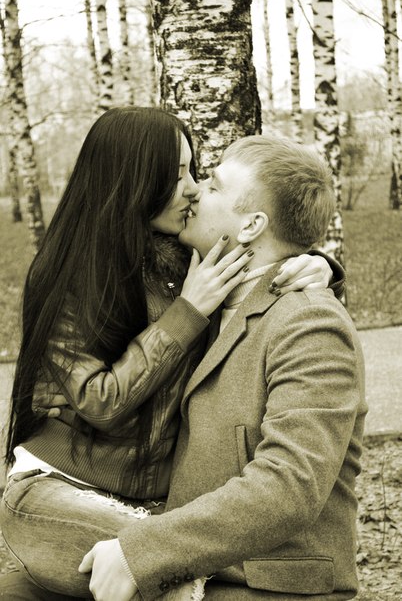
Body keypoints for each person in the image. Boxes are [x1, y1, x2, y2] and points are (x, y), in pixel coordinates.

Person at [0, 109, 342, 600]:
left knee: (170, 564)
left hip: (147, 501)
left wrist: (316, 264)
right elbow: (99, 401)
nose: (194, 188)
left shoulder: (185, 258)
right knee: (173, 575)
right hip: (63, 484)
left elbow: (264, 257)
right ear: (135, 180)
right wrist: (186, 313)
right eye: (178, 174)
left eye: (197, 173)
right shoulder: (70, 274)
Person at [76, 135, 367, 601]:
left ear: (251, 224)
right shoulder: (204, 301)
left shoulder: (310, 322)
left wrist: (143, 551)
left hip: (264, 588)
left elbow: (290, 485)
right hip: (196, 573)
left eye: (213, 185)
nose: (194, 192)